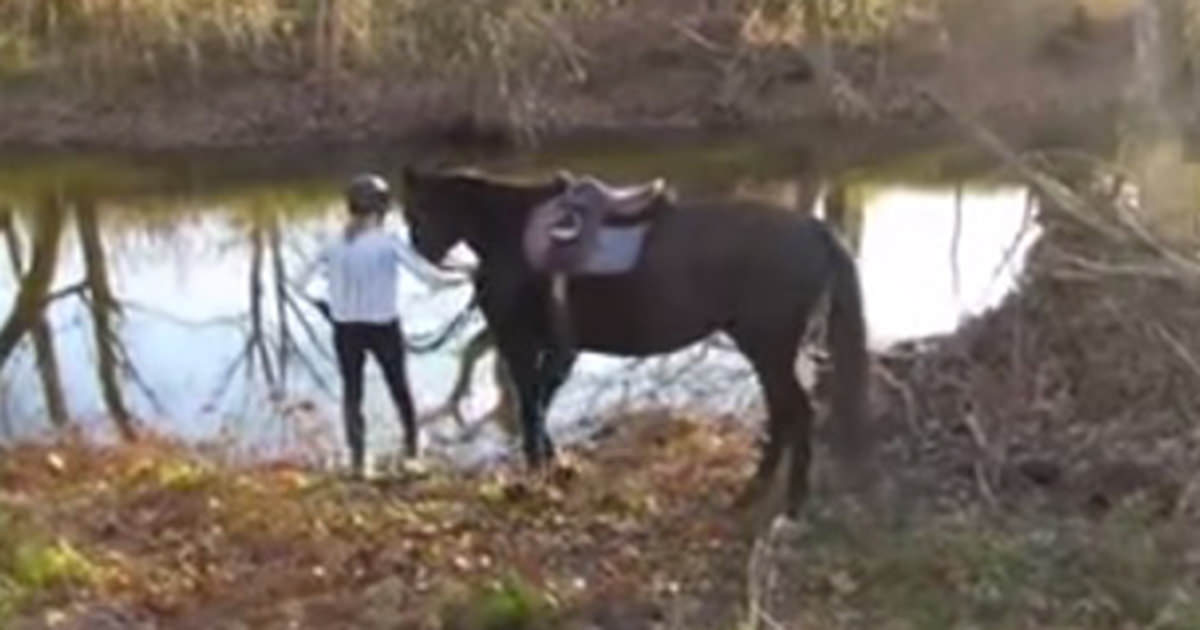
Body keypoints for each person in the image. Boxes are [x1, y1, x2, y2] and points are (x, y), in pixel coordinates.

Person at [293, 173, 462, 479]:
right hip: (384, 328)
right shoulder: (389, 243)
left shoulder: (332, 244)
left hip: (345, 330)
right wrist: (468, 277)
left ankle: (358, 461)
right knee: (400, 388)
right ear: (381, 209)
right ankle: (412, 452)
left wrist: (324, 305)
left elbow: (298, 283)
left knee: (352, 392)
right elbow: (432, 279)